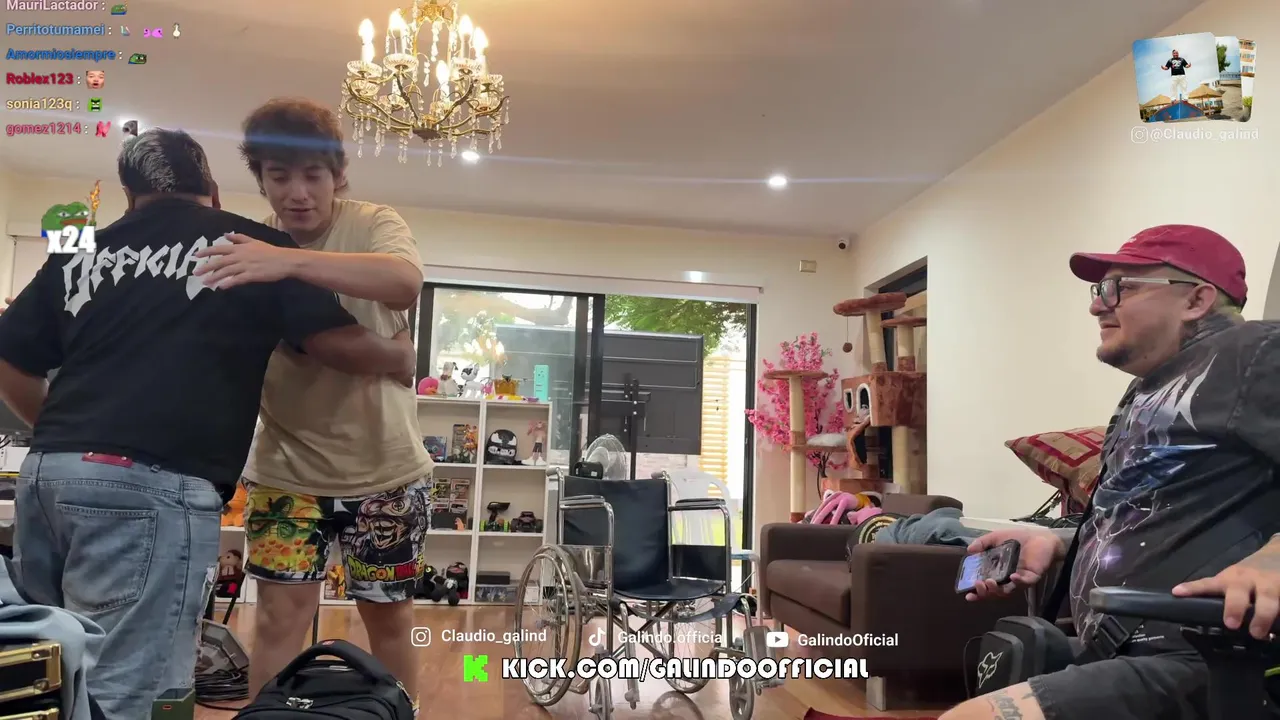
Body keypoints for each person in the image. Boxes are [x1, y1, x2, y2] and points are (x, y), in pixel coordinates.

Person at [0, 128, 417, 720]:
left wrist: (69, 438)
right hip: (156, 485)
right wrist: (399, 356)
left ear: (128, 196)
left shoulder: (80, 247)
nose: (297, 191)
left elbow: (8, 357)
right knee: (129, 685)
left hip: (48, 477)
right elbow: (335, 344)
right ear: (216, 190)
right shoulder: (247, 245)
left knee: (45, 668)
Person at [942, 224, 1280, 720]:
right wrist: (1058, 542)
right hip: (1122, 648)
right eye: (1100, 290)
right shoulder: (1148, 388)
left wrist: (1275, 559)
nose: (1098, 305)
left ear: (1196, 299)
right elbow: (1147, 512)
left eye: (1120, 287)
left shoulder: (1257, 351)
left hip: (1210, 657)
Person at [192, 97, 432, 711]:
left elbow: (404, 283)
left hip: (388, 472)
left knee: (390, 621)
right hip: (286, 475)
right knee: (279, 621)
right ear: (262, 180)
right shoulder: (242, 246)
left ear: (338, 175)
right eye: (279, 176)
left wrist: (285, 259)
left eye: (312, 176)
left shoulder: (373, 223)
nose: (297, 193)